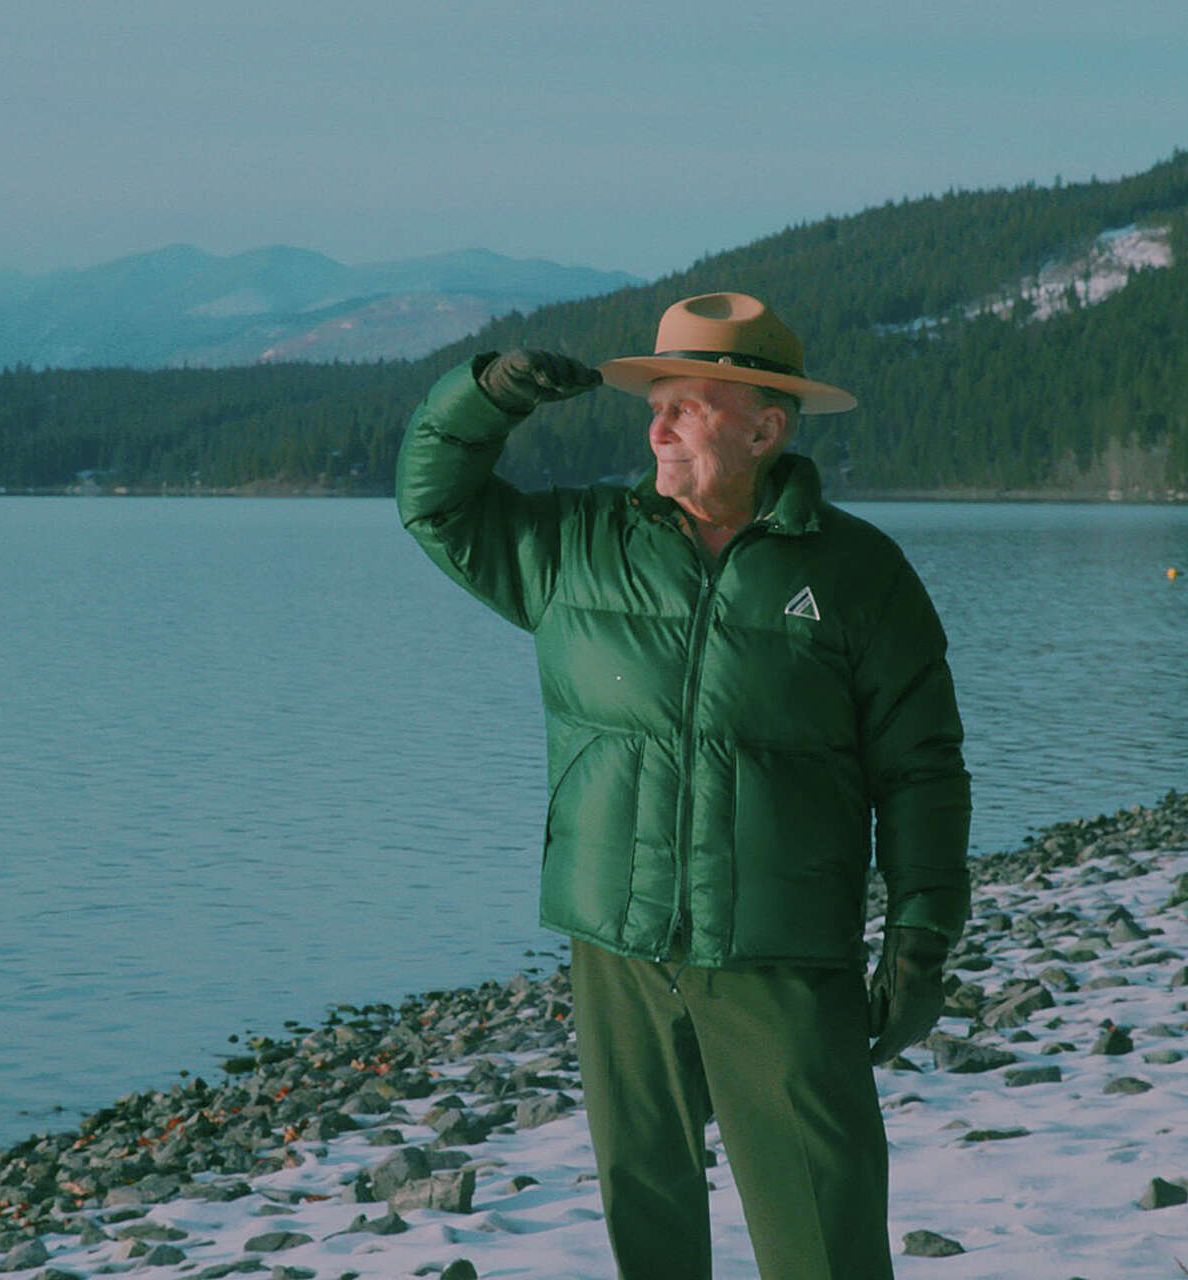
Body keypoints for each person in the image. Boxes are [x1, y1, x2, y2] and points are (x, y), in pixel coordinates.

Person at [394, 292, 971, 1279]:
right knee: (651, 1238)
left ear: (765, 425)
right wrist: (486, 395)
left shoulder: (861, 574)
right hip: (618, 951)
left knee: (826, 1245)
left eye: (686, 406)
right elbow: (434, 503)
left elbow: (922, 773)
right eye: (653, 403)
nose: (655, 427)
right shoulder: (577, 548)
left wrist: (919, 943)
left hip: (784, 959)